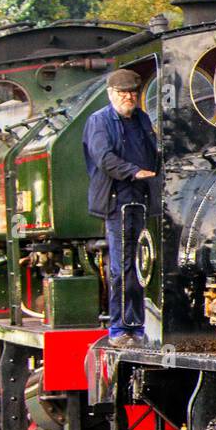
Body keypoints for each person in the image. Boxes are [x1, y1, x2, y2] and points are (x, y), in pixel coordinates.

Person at [83, 69, 158, 348]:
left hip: (143, 199)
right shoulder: (98, 122)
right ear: (111, 94)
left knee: (143, 264)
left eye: (133, 93)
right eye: (123, 93)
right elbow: (103, 158)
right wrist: (134, 172)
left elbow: (154, 152)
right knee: (122, 266)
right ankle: (120, 327)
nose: (129, 97)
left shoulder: (142, 120)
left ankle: (138, 325)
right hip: (118, 200)